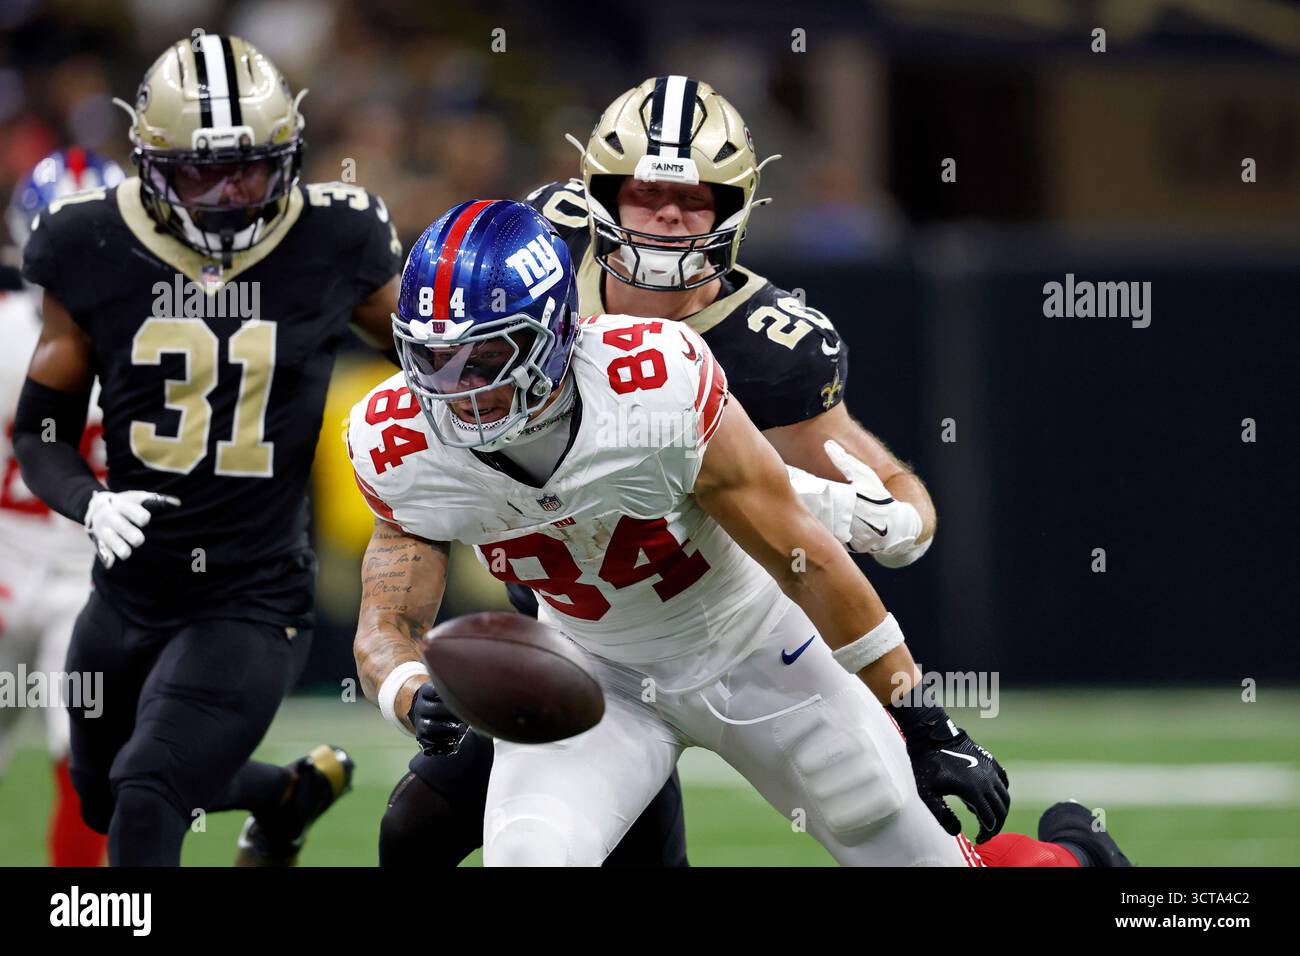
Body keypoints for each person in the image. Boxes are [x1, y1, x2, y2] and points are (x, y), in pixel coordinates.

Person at [351, 199, 1129, 867]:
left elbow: (803, 555)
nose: (461, 389)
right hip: (598, 674)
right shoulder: (400, 441)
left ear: (555, 334)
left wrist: (922, 718)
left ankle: (1072, 856)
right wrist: (408, 691)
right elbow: (388, 625)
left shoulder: (653, 383)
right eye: (436, 358)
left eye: (486, 355)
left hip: (755, 646)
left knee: (902, 845)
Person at [14, 35, 404, 866]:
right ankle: (286, 793)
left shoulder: (334, 241)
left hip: (252, 595)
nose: (231, 194)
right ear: (151, 167)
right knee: (101, 794)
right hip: (125, 594)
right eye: (201, 172)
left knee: (149, 788)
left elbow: (432, 357)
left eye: (253, 169)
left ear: (291, 158)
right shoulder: (90, 242)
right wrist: (91, 500)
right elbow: (40, 428)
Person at [0, 147, 119, 866]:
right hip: (87, 576)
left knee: (87, 763)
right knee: (85, 763)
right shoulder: (152, 332)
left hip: (23, 564)